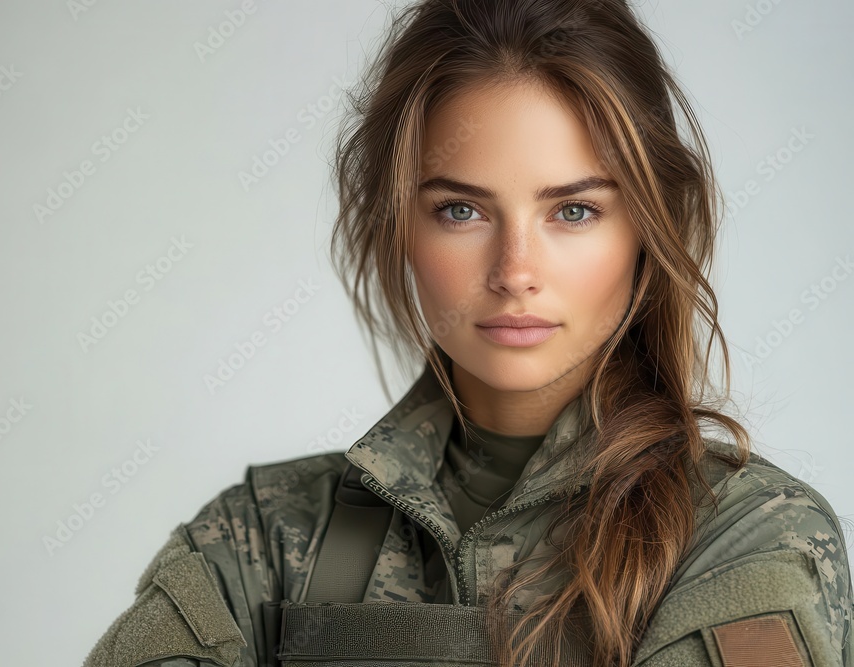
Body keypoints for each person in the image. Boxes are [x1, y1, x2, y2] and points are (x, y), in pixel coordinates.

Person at [82, 0, 853, 665]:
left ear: (649, 229)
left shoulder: (748, 538)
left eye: (574, 210)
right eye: (462, 210)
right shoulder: (264, 540)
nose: (515, 269)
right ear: (397, 228)